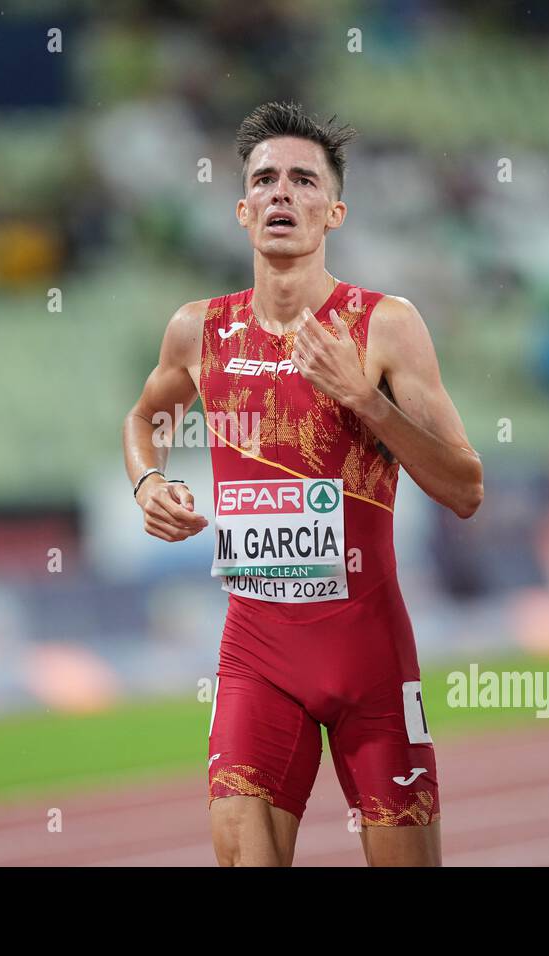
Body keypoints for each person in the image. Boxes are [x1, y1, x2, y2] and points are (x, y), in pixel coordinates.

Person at [122, 102, 483, 866]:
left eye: (302, 180)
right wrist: (148, 480)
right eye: (265, 180)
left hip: (369, 657)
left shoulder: (386, 325)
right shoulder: (199, 329)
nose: (282, 193)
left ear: (335, 210)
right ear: (243, 209)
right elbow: (145, 418)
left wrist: (364, 399)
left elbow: (464, 487)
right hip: (255, 655)